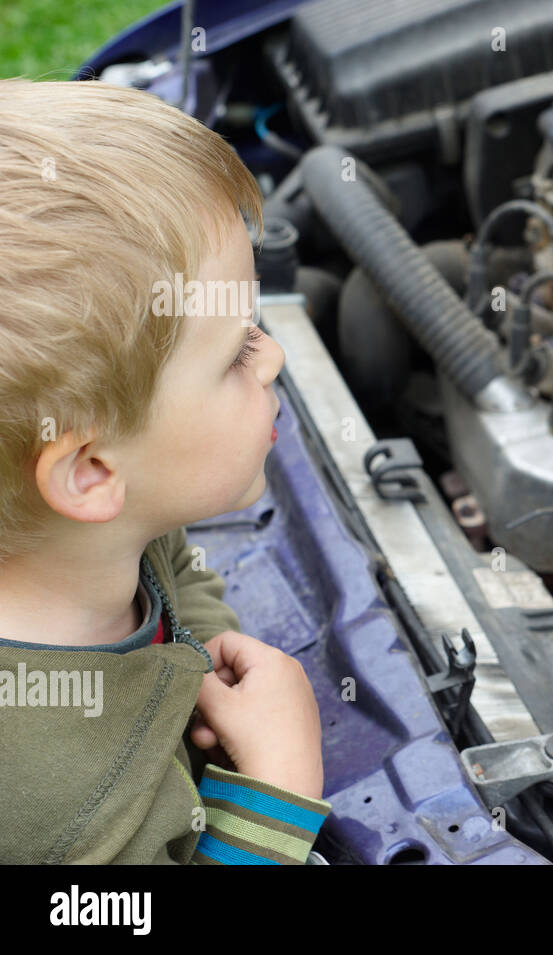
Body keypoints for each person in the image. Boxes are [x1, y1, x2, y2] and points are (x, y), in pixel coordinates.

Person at [0, 77, 330, 864]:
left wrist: (207, 650)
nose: (273, 355)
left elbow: (171, 563)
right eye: (237, 352)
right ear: (89, 472)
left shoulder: (94, 535)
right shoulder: (57, 811)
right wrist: (279, 788)